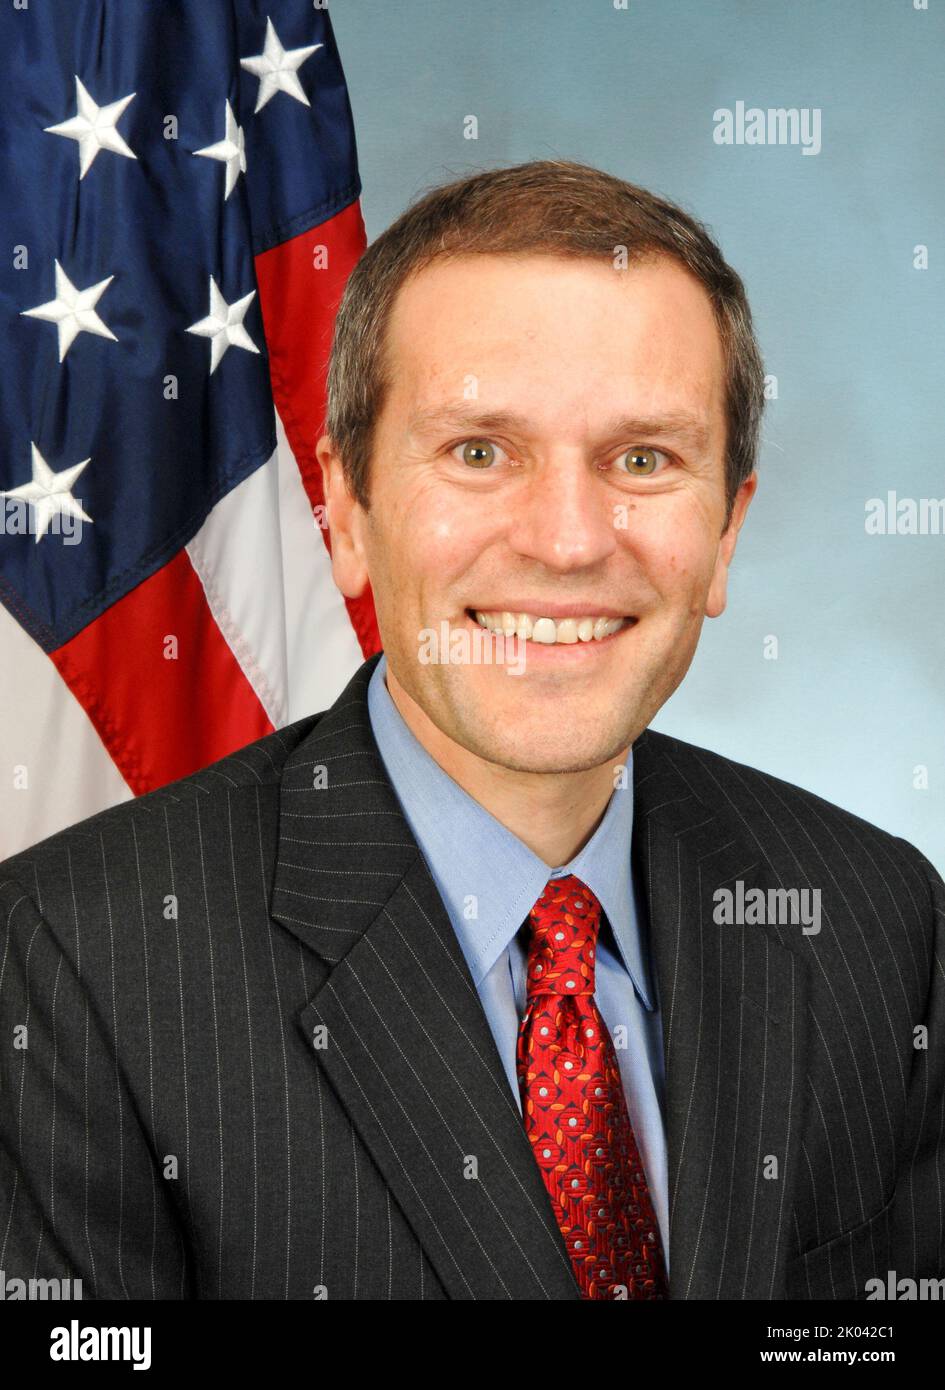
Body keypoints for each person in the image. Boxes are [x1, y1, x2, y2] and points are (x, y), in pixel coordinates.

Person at [1, 160, 942, 1301]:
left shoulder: (876, 919)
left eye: (643, 458)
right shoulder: (76, 960)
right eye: (480, 451)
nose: (566, 540)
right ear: (344, 511)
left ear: (727, 533)